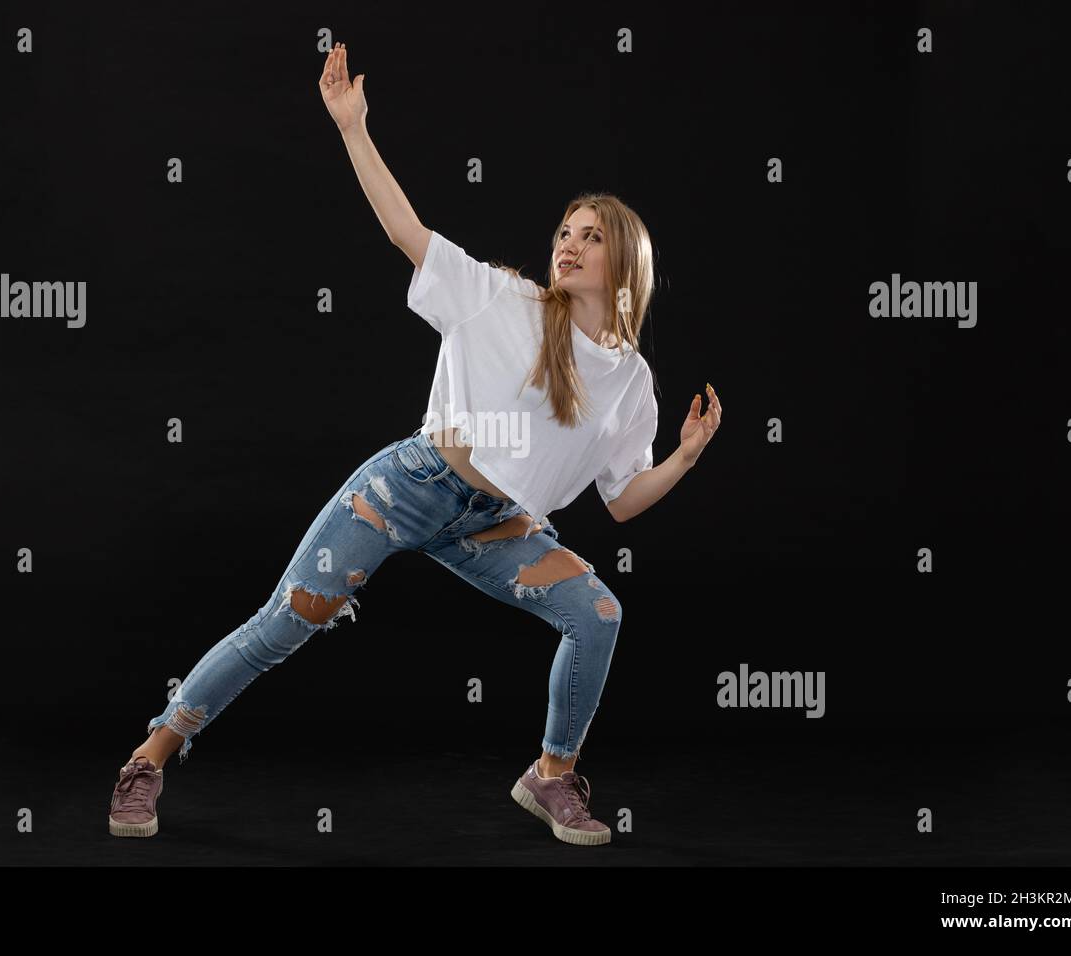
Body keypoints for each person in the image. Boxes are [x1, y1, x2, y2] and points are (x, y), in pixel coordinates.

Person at [108, 42, 723, 847]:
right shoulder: (501, 298)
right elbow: (405, 229)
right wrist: (352, 127)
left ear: (625, 261)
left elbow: (622, 500)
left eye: (590, 237)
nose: (567, 245)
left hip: (496, 525)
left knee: (599, 613)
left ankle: (550, 776)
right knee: (284, 622)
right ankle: (149, 758)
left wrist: (683, 457)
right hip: (410, 486)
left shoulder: (632, 380)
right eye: (563, 232)